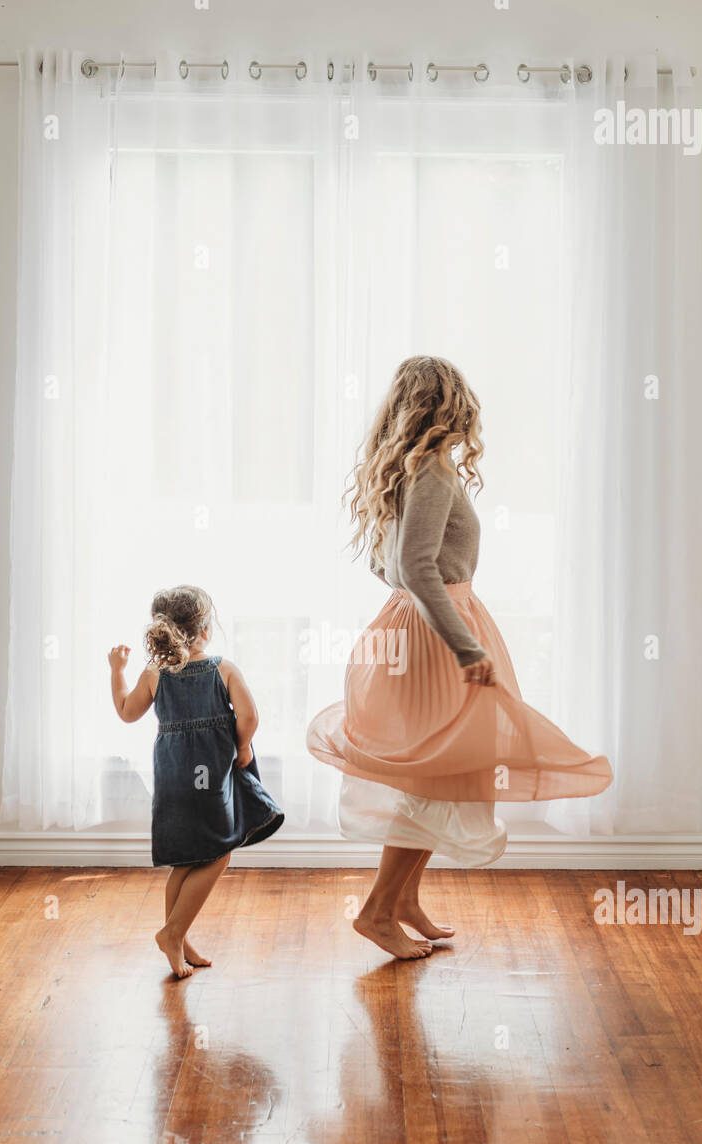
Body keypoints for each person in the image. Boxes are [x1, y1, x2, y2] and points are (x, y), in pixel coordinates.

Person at [307, 356, 612, 961]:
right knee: (435, 778)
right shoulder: (433, 473)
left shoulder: (408, 470)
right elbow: (418, 570)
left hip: (416, 628)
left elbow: (388, 567)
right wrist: (464, 645)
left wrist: (426, 610)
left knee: (438, 774)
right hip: (437, 637)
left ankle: (405, 902)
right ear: (450, 405)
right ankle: (375, 911)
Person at [109, 584, 284, 977]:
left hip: (172, 777)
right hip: (209, 777)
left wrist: (117, 671)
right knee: (220, 850)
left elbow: (126, 710)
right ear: (204, 629)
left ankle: (178, 935)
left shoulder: (154, 673)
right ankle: (172, 933)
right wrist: (242, 748)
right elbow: (250, 716)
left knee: (186, 859)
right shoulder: (223, 668)